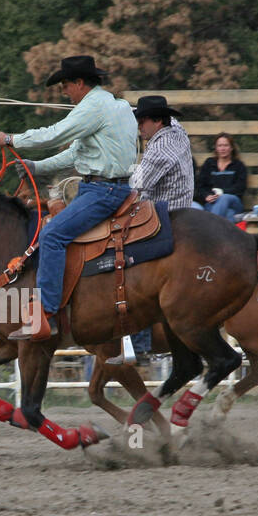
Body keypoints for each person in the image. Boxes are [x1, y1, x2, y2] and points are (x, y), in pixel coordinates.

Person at [0, 55, 137, 341]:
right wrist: (37, 166)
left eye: (66, 85)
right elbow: (75, 153)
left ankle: (47, 311)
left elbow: (56, 135)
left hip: (101, 191)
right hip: (112, 188)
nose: (64, 92)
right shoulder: (116, 106)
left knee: (53, 234)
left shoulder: (93, 107)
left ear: (80, 83)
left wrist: (11, 140)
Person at [105, 95, 194, 364]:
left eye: (142, 121)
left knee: (128, 266)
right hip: (178, 212)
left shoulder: (159, 151)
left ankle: (139, 345)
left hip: (163, 218)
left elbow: (135, 187)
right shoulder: (176, 130)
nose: (138, 127)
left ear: (157, 120)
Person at [194, 133, 248, 220]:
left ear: (231, 148)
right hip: (212, 203)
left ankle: (211, 230)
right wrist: (206, 196)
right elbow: (200, 185)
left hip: (234, 202)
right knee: (229, 214)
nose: (222, 149)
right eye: (219, 146)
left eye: (226, 145)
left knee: (224, 198)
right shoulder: (209, 163)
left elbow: (240, 188)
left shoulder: (238, 165)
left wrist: (221, 193)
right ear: (216, 148)